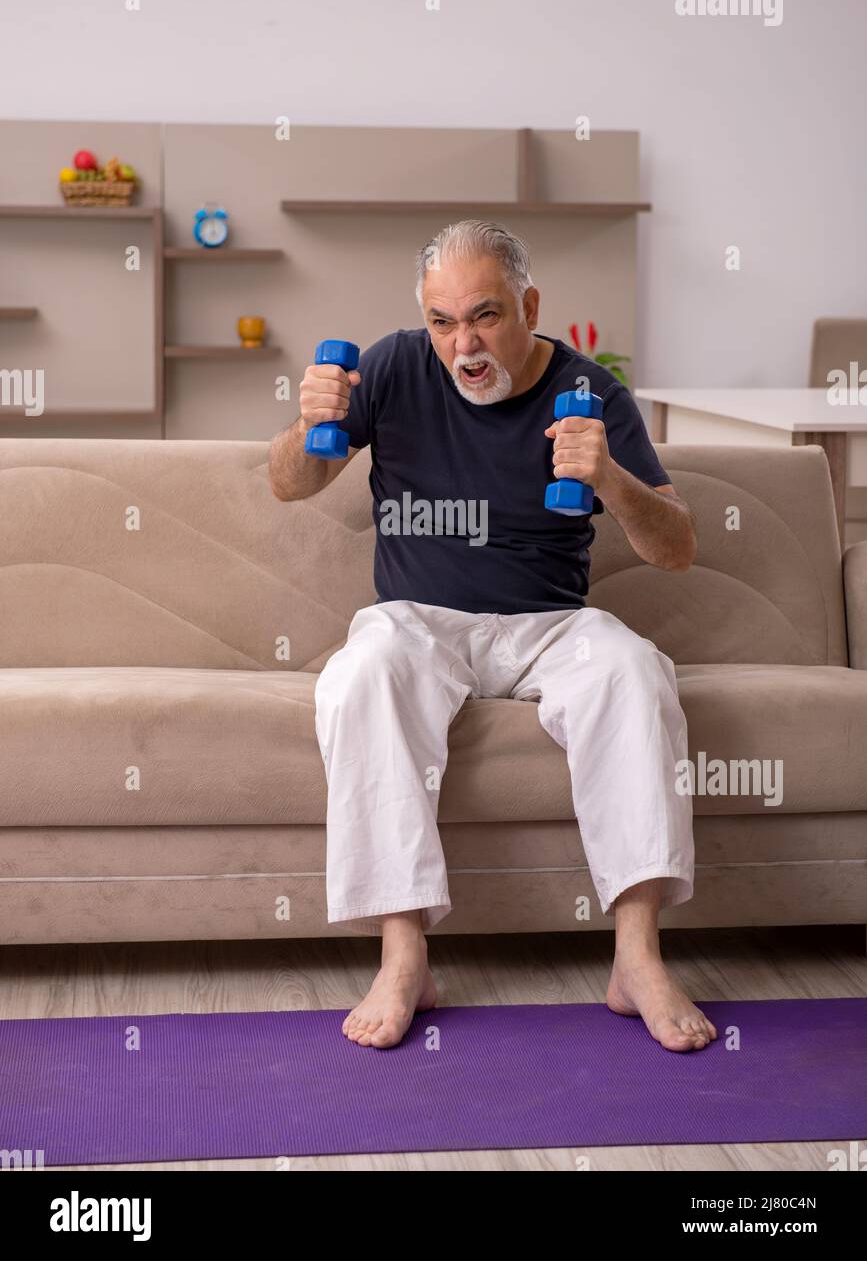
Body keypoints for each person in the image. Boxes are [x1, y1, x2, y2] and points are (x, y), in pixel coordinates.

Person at [269, 219, 717, 1055]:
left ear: (529, 307)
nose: (464, 345)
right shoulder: (393, 366)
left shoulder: (588, 391)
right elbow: (291, 483)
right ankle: (404, 958)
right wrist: (308, 423)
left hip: (550, 622)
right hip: (419, 621)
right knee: (361, 673)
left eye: (484, 316)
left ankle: (636, 959)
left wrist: (608, 477)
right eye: (442, 322)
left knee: (633, 671)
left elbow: (677, 548)